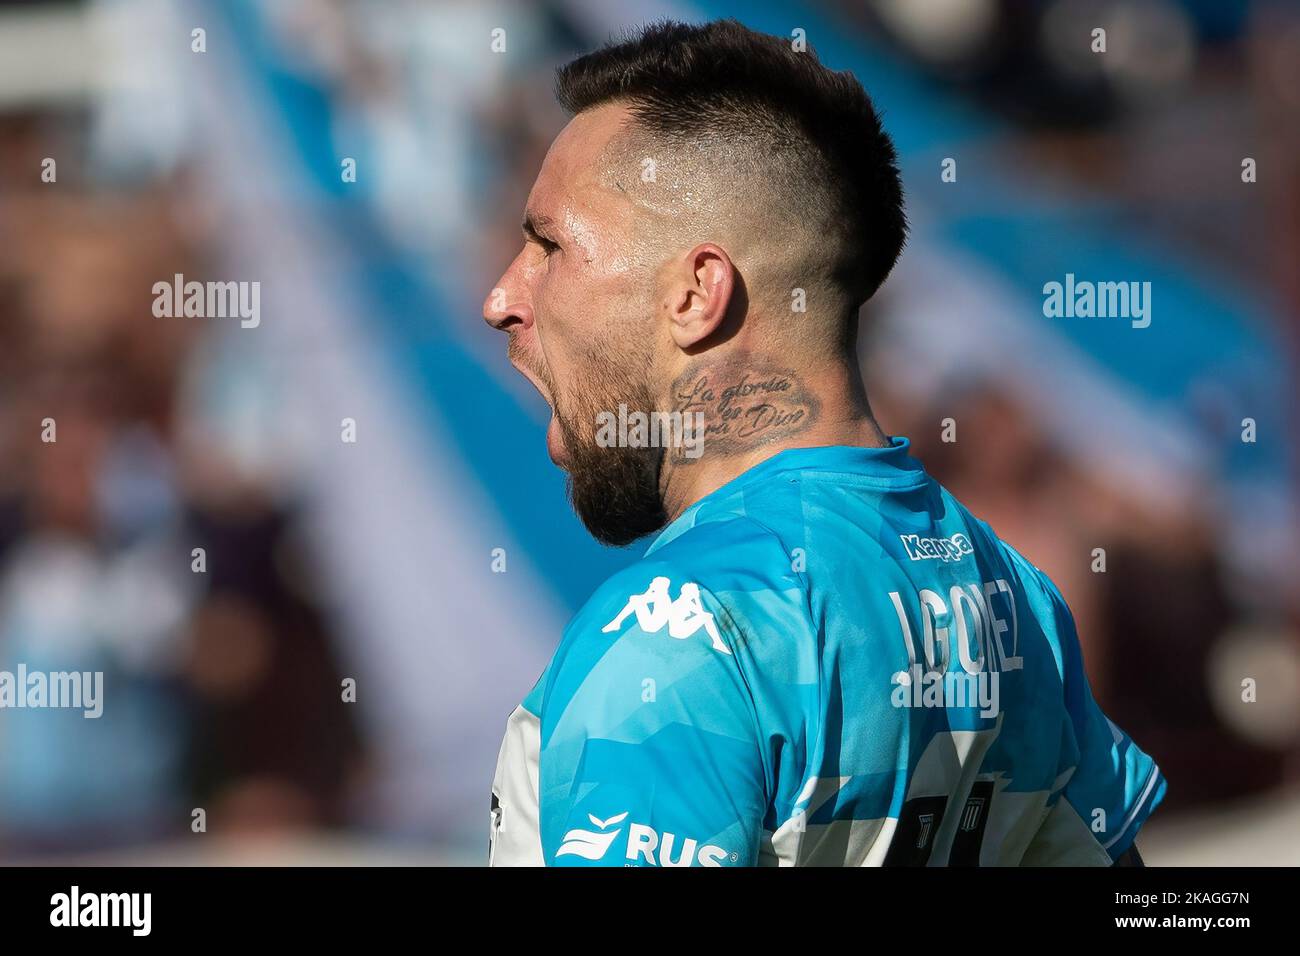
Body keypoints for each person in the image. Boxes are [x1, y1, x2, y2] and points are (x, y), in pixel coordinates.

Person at [481, 19, 1163, 866]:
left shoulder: (676, 635)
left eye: (548, 244)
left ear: (697, 294)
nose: (503, 297)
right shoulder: (1012, 598)